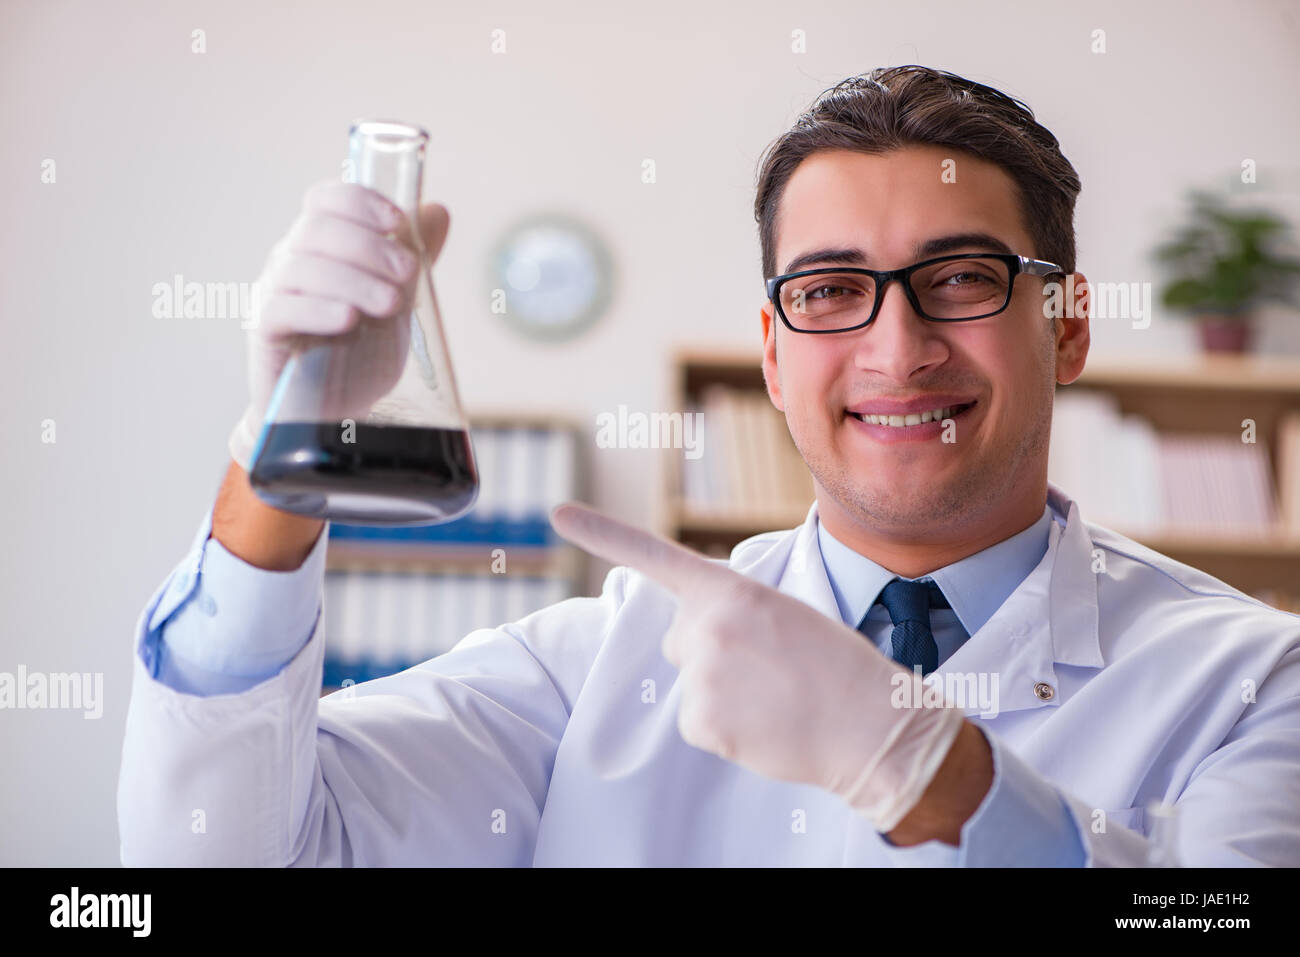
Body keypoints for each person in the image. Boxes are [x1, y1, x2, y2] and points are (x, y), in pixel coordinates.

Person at [118, 65, 1300, 866]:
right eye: (831, 292)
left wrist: (935, 776)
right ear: (776, 357)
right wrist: (283, 460)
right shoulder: (593, 668)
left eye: (960, 278)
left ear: (1069, 324)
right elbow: (230, 846)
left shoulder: (1252, 682)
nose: (897, 348)